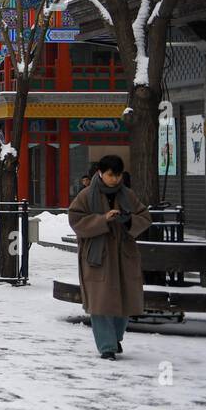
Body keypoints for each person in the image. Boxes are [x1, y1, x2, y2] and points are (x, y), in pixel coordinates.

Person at [67, 154, 151, 360]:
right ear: (100, 173)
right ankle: (107, 347)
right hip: (98, 256)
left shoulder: (128, 195)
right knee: (100, 302)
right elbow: (76, 220)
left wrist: (128, 220)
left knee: (125, 299)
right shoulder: (86, 196)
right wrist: (103, 220)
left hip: (124, 255)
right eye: (110, 175)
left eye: (118, 175)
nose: (114, 179)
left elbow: (144, 217)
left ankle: (115, 338)